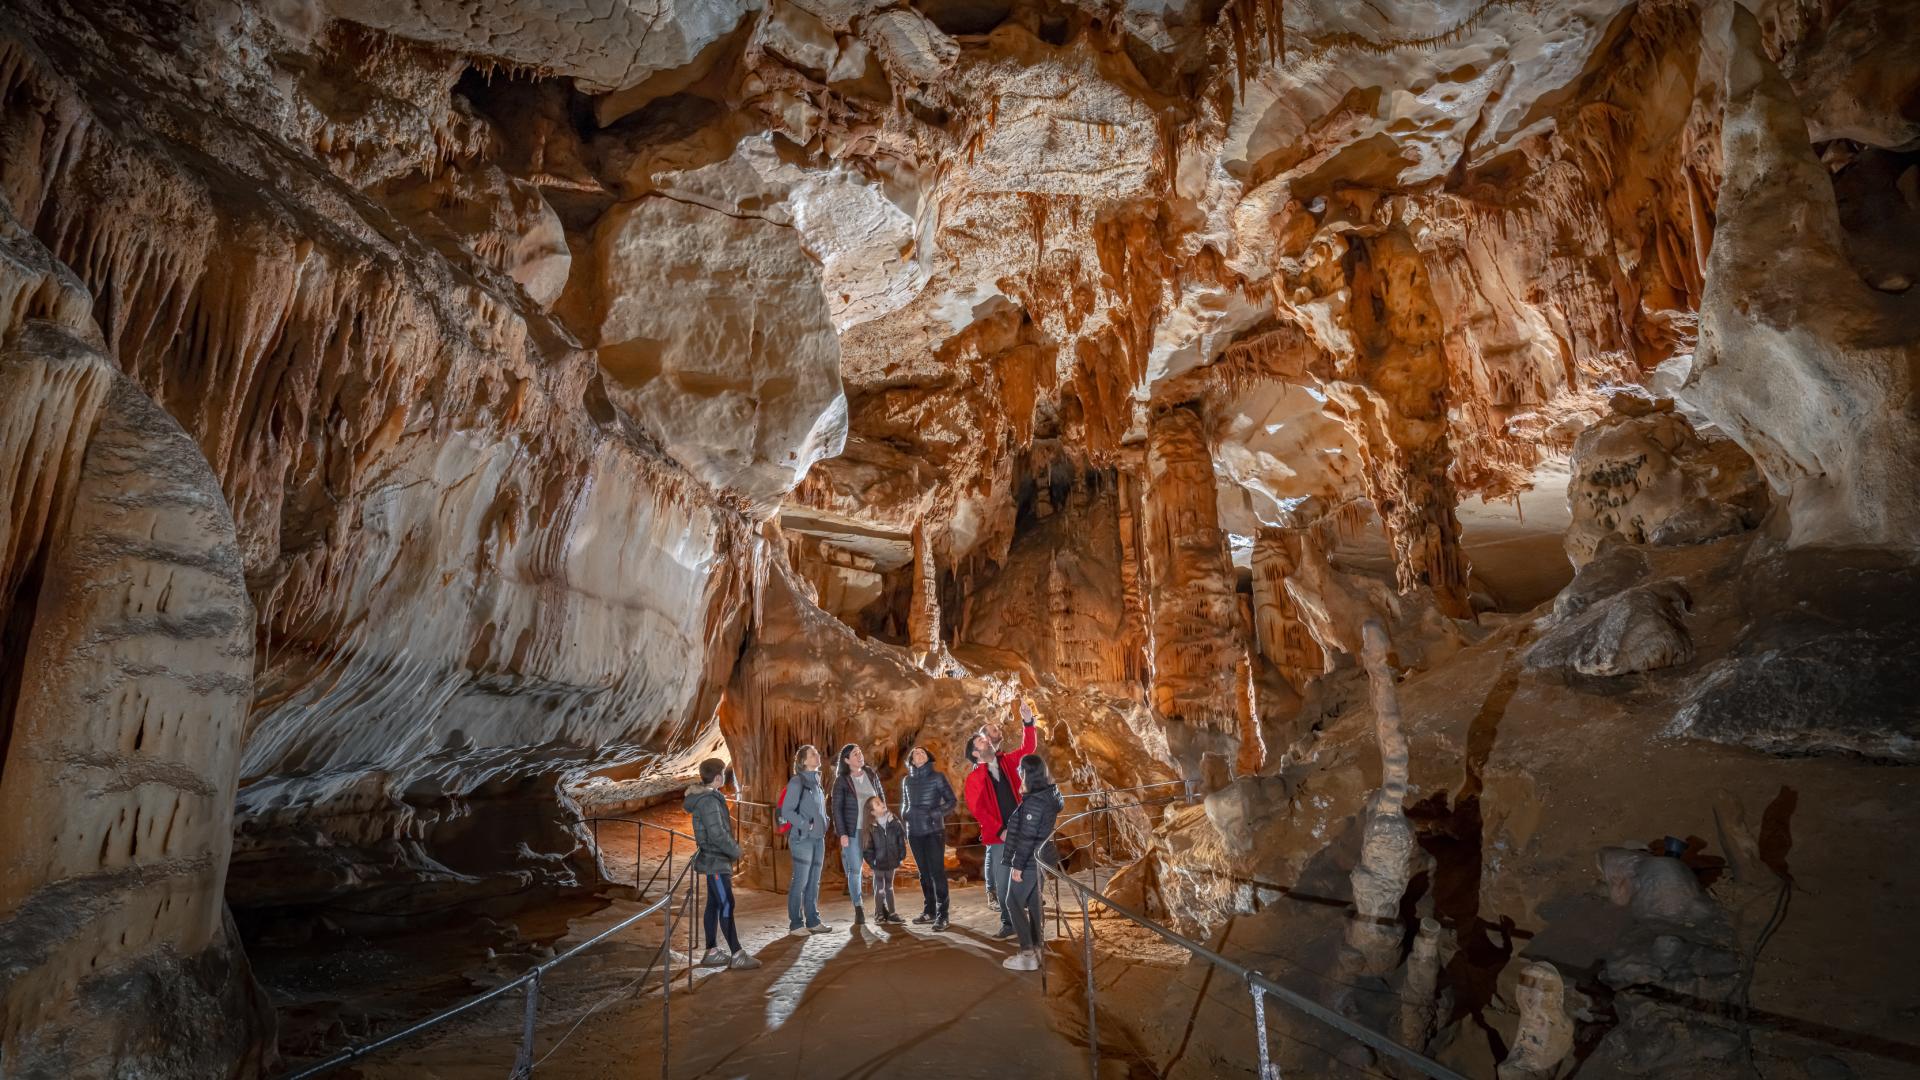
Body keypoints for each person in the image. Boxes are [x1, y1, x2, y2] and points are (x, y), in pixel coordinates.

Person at [963, 697, 1038, 938]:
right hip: (999, 837)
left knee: (1028, 873)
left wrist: (1028, 721)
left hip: (1020, 830)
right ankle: (1008, 923)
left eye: (985, 738)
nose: (986, 739)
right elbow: (979, 810)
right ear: (976, 753)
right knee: (1004, 880)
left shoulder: (1007, 761)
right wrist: (998, 830)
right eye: (980, 740)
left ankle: (1031, 920)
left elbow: (1028, 749)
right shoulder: (975, 778)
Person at [685, 758, 762, 970]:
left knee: (714, 903)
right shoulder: (709, 801)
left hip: (714, 859)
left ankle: (711, 952)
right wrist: (736, 850)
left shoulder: (709, 797)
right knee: (727, 903)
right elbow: (717, 834)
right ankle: (737, 954)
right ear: (718, 777)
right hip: (716, 859)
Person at [999, 753, 1064, 971]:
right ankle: (1038, 947)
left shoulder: (1035, 803)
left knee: (1013, 902)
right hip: (1041, 857)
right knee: (1034, 903)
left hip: (1029, 861)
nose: (1018, 771)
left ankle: (1027, 953)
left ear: (1027, 773)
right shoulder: (1048, 795)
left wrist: (1017, 866)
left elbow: (1027, 839)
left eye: (1020, 768)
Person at [777, 745, 834, 935]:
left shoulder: (817, 782)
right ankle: (796, 924)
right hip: (802, 839)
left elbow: (819, 809)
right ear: (803, 761)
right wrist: (805, 824)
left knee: (814, 881)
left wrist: (825, 822)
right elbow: (787, 811)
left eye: (817, 753)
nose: (817, 756)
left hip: (818, 839)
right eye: (812, 754)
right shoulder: (797, 782)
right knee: (800, 880)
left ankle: (813, 920)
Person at [900, 745, 957, 930]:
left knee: (937, 873)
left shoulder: (937, 777)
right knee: (924, 874)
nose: (919, 754)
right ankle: (930, 911)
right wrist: (905, 813)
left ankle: (943, 915)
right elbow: (905, 803)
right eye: (915, 753)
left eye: (922, 752)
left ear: (928, 757)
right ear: (911, 759)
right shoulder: (907, 780)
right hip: (914, 832)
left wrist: (935, 813)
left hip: (933, 832)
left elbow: (951, 801)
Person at [831, 743, 885, 927]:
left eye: (860, 752)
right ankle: (858, 907)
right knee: (855, 869)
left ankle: (881, 906)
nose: (860, 756)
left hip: (873, 828)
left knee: (880, 865)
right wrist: (842, 833)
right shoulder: (842, 781)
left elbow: (880, 797)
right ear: (847, 760)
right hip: (853, 831)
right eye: (855, 754)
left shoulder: (870, 773)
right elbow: (836, 808)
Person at [861, 795, 909, 925]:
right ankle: (880, 914)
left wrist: (901, 856)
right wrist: (873, 861)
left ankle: (892, 913)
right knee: (879, 888)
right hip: (878, 863)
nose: (881, 803)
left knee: (890, 887)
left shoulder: (894, 821)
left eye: (880, 801)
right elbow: (867, 848)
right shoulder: (871, 826)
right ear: (872, 812)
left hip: (892, 861)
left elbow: (901, 839)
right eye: (877, 804)